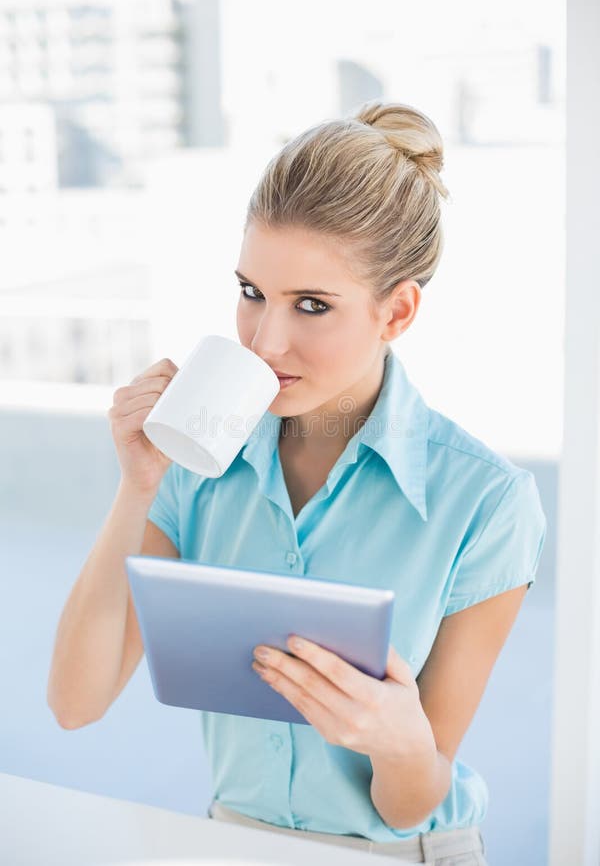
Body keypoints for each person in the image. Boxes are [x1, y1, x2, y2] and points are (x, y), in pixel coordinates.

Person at [47, 101, 547, 865]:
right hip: (228, 840)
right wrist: (137, 485)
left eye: (312, 306)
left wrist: (398, 740)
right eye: (252, 293)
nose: (265, 341)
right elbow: (74, 704)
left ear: (397, 311)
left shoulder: (485, 503)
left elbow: (411, 801)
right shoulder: (196, 464)